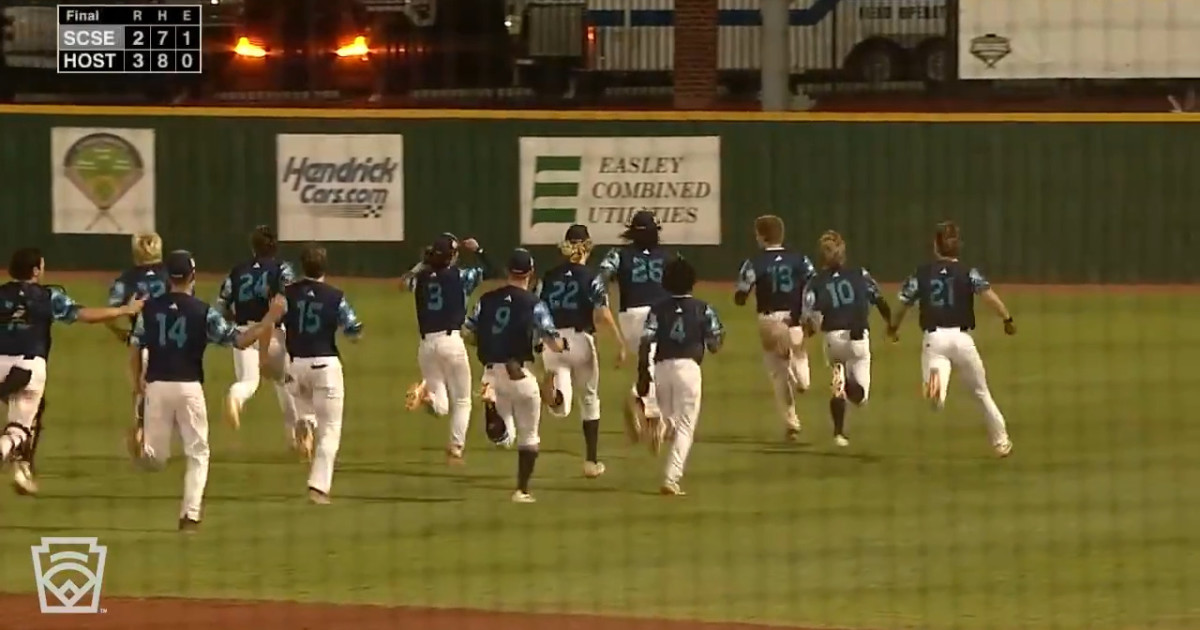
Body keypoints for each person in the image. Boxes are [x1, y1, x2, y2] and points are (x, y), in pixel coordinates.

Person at [129, 250, 283, 531]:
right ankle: (190, 515)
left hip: (156, 386)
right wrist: (268, 319)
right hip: (189, 388)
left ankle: (140, 442)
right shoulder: (203, 311)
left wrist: (136, 379)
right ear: (192, 276)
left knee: (155, 460)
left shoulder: (149, 309)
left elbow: (136, 345)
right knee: (198, 452)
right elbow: (240, 340)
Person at [0, 248, 143, 487]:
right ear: (35, 271)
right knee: (19, 429)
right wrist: (124, 310)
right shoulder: (48, 296)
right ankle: (11, 455)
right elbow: (84, 314)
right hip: (28, 368)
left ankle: (23, 468)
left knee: (36, 411)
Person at [888, 221, 1015, 457]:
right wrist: (1006, 318)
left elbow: (904, 303)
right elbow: (989, 296)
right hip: (962, 339)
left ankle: (936, 388)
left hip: (934, 339)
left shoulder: (922, 273)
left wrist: (893, 327)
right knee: (981, 393)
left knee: (936, 399)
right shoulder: (968, 272)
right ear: (959, 246)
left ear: (935, 246)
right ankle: (1001, 442)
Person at [464, 248, 564, 503]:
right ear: (530, 273)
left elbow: (468, 332)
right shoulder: (534, 304)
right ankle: (522, 490)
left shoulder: (485, 299)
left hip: (490, 374)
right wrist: (562, 345)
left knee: (503, 439)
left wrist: (489, 341)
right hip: (519, 375)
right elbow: (554, 343)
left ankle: (490, 407)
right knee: (529, 436)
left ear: (508, 271)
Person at [216, 225, 313, 458]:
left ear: (253, 247)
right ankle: (298, 436)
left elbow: (220, 306)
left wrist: (230, 322)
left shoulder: (237, 271)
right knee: (287, 383)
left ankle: (235, 397)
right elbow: (284, 302)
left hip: (244, 333)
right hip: (273, 333)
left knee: (248, 382)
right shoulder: (282, 269)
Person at [536, 224, 623, 479]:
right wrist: (619, 342)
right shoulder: (591, 277)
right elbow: (603, 312)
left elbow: (536, 309)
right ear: (587, 246)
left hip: (552, 342)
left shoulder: (549, 275)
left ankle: (553, 393)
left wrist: (536, 341)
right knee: (589, 400)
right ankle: (591, 462)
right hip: (581, 340)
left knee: (561, 409)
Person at [281, 244, 364, 505]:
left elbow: (274, 321)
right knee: (330, 430)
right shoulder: (335, 296)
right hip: (325, 366)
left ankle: (305, 421)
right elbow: (353, 330)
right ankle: (318, 487)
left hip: (295, 367)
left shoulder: (287, 294)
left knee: (307, 408)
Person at [793, 231, 891, 447]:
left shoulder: (815, 283)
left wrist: (806, 334)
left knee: (837, 383)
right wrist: (891, 323)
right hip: (857, 338)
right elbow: (879, 299)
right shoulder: (859, 274)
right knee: (860, 397)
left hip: (832, 340)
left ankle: (838, 433)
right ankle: (847, 384)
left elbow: (809, 318)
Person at [638, 256, 724, 496]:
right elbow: (716, 341)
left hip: (662, 367)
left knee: (672, 421)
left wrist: (642, 373)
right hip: (689, 368)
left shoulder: (656, 309)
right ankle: (671, 478)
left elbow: (645, 342)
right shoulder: (703, 308)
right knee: (686, 428)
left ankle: (663, 423)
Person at [401, 233, 486, 464]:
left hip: (427, 345)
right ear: (453, 256)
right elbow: (487, 270)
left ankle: (425, 394)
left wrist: (424, 263)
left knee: (442, 405)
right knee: (463, 401)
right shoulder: (460, 277)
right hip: (452, 343)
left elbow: (404, 281)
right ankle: (456, 448)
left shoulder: (420, 278)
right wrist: (477, 251)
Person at [733, 215, 816, 441]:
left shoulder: (755, 262)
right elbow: (813, 283)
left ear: (761, 236)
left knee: (779, 376)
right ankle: (801, 379)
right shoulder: (800, 259)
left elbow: (740, 295)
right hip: (794, 319)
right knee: (801, 369)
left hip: (769, 321)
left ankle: (792, 423)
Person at [597, 210, 669, 444]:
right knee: (660, 364)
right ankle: (648, 409)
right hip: (659, 314)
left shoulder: (618, 254)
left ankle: (646, 407)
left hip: (629, 317)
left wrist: (600, 302)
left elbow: (600, 280)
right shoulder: (669, 256)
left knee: (650, 363)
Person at [106, 233, 168, 446]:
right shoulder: (172, 274)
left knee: (140, 387)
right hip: (171, 339)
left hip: (141, 340)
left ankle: (141, 430)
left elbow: (111, 312)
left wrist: (119, 331)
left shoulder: (127, 278)